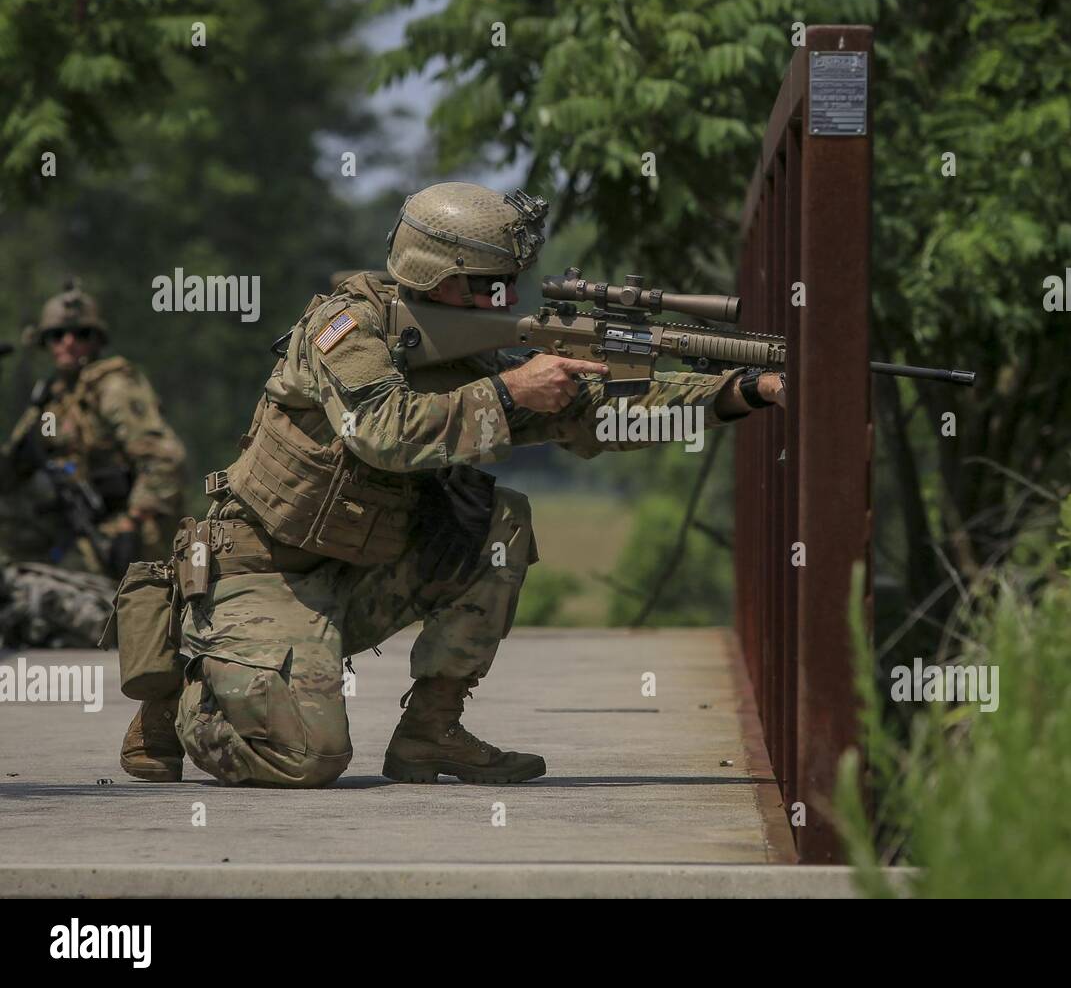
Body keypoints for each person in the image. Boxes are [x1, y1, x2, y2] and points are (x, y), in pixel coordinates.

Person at [123, 182, 784, 787]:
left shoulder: (469, 354)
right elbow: (379, 428)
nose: (504, 299)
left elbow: (598, 415)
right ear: (435, 273)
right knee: (310, 758)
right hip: (264, 573)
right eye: (488, 285)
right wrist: (509, 390)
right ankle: (190, 686)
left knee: (500, 518)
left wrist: (741, 390)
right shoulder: (346, 327)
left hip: (358, 575)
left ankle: (430, 732)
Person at [0, 282, 186, 651]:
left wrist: (133, 524)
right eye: (57, 335)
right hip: (65, 531)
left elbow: (164, 458)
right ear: (45, 342)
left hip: (117, 530)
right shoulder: (50, 399)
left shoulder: (113, 387)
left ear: (96, 340)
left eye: (80, 334)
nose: (68, 342)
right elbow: (9, 471)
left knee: (96, 615)